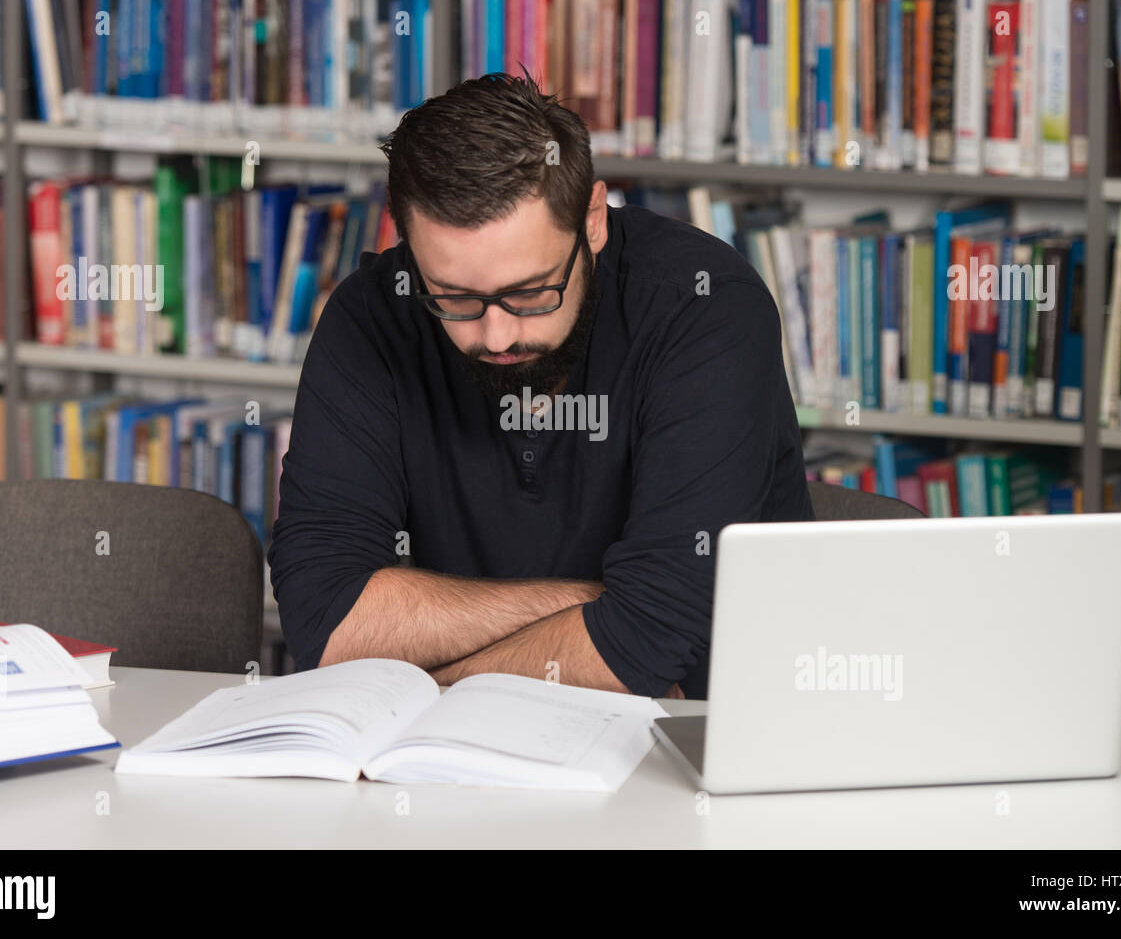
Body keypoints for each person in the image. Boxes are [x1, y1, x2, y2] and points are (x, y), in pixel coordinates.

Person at [267, 72, 813, 700]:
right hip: (455, 767)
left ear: (593, 222)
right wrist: (596, 604)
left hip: (702, 742)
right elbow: (321, 619)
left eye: (530, 293)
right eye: (454, 298)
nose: (496, 336)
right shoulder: (371, 316)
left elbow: (650, 640)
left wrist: (437, 689)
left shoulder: (705, 307)